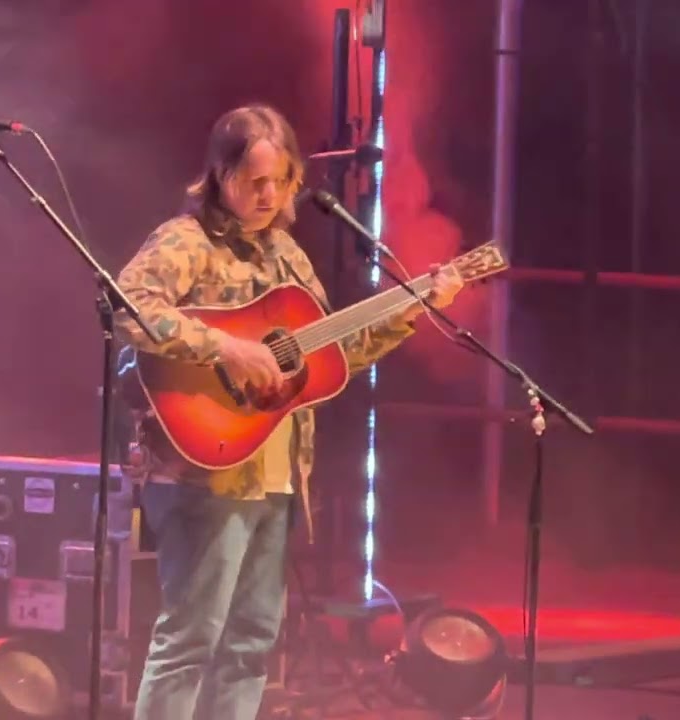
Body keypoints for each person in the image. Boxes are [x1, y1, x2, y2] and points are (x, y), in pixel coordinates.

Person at [113, 103, 464, 720]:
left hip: (277, 477)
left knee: (251, 644)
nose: (269, 195)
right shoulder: (186, 242)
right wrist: (225, 346)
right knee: (190, 639)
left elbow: (331, 358)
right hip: (205, 472)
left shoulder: (288, 257)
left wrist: (410, 310)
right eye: (255, 181)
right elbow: (129, 308)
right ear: (220, 175)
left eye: (281, 181)